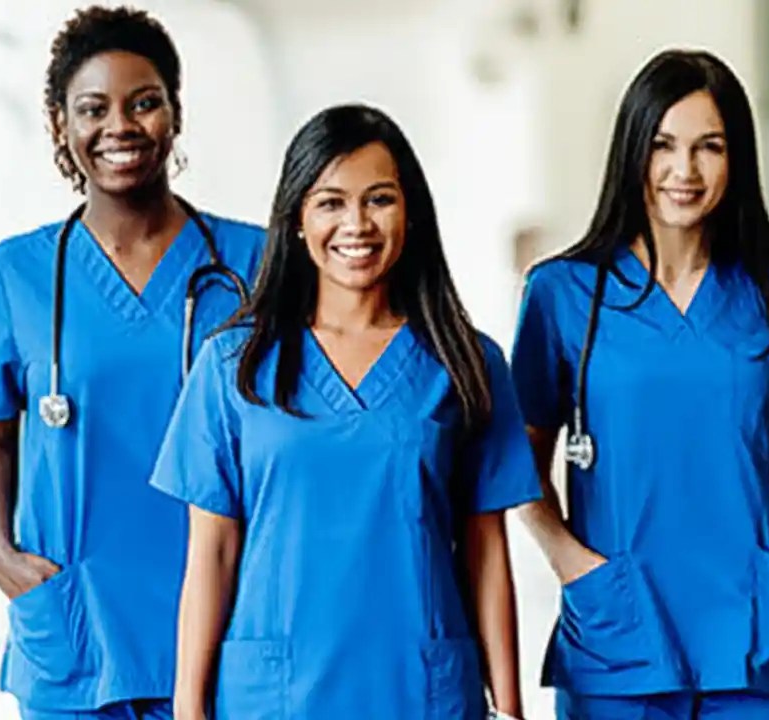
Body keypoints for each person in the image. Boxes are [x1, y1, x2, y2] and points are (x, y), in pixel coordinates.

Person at [149, 104, 539, 720]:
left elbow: (486, 549)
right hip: (275, 698)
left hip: (421, 691)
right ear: (297, 219)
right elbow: (211, 553)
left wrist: (511, 708)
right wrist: (188, 710)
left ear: (410, 214)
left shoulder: (466, 362)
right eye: (330, 202)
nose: (356, 223)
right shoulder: (233, 365)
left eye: (378, 199)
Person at [512, 50, 769, 720]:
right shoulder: (564, 294)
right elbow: (522, 466)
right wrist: (576, 568)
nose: (683, 171)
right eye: (663, 145)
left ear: (737, 158)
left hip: (761, 638)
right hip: (620, 639)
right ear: (633, 151)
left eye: (708, 147)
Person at [0, 7, 263, 719]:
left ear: (174, 113)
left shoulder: (255, 263)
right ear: (61, 124)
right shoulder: (17, 274)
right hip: (76, 628)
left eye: (144, 102)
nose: (120, 126)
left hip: (222, 622)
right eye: (92, 108)